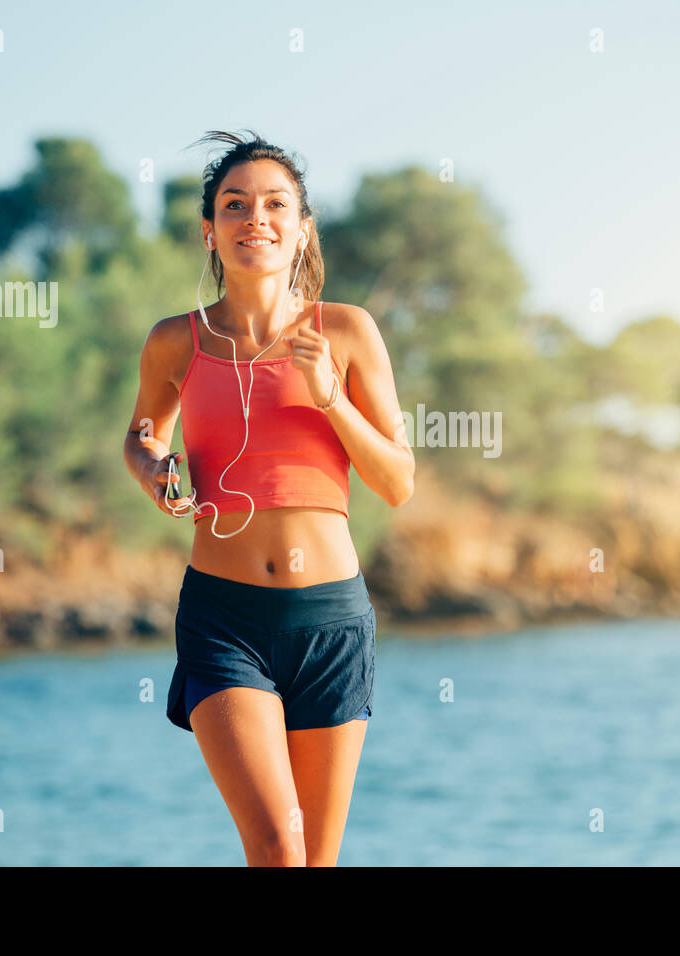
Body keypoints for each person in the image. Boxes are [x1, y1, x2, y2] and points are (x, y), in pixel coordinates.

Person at [122, 130, 414, 866]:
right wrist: (155, 470)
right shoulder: (175, 342)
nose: (256, 217)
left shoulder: (345, 332)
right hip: (225, 619)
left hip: (331, 621)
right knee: (278, 845)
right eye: (235, 204)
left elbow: (397, 481)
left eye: (276, 204)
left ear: (302, 229)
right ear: (209, 231)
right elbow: (141, 436)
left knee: (316, 858)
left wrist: (332, 402)